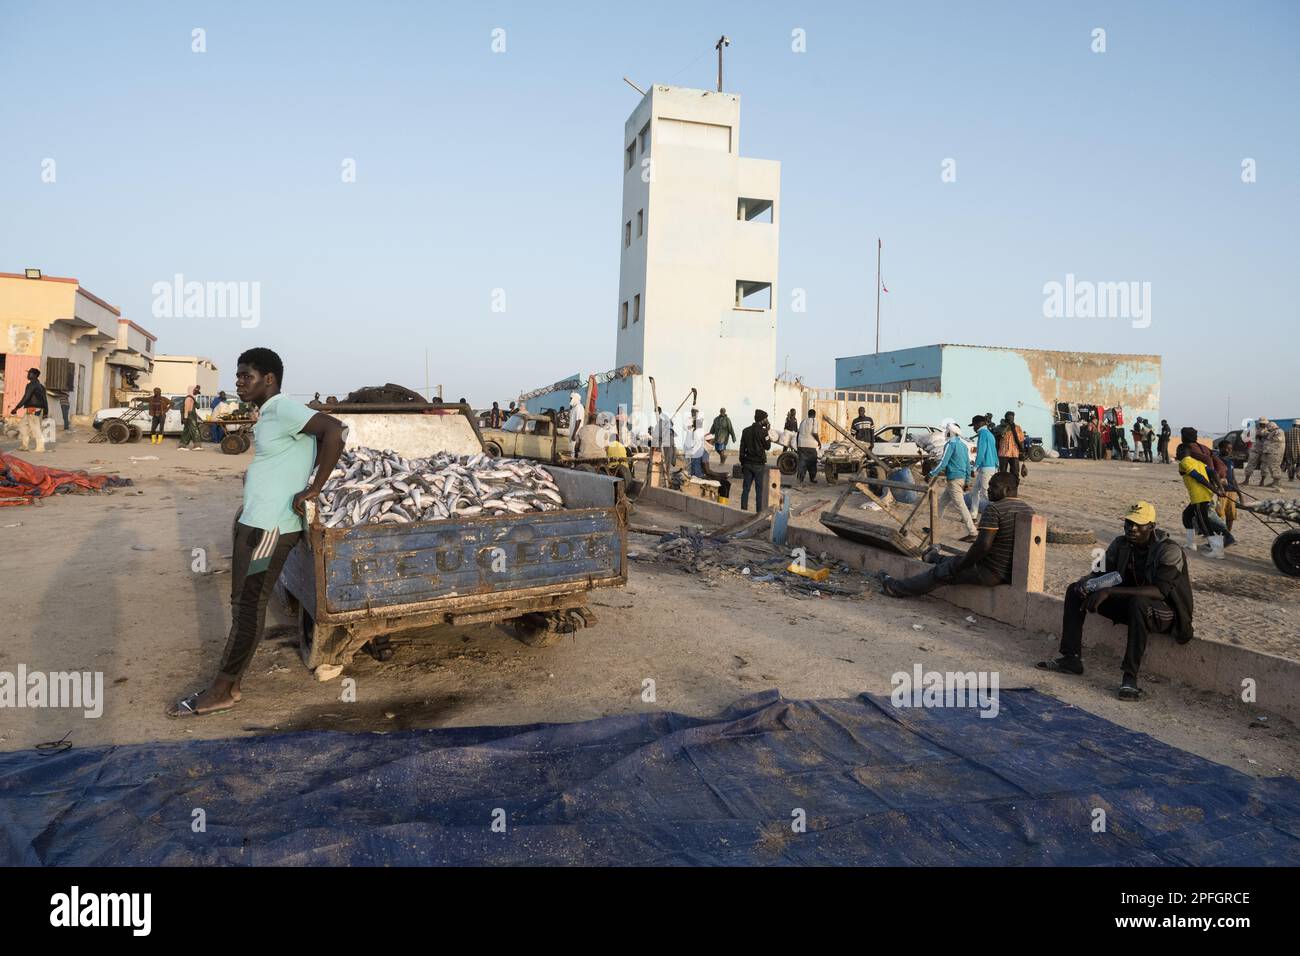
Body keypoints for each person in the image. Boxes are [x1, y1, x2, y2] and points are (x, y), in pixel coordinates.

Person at [168, 348, 345, 717]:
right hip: (257, 521)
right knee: (244, 603)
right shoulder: (268, 416)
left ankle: (224, 688)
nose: (238, 382)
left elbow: (334, 431)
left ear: (269, 378)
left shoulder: (282, 408)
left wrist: (313, 487)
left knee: (248, 605)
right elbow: (305, 448)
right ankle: (226, 685)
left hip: (270, 526)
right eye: (237, 376)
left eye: (245, 375)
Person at [1037, 501, 1193, 701]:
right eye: (1128, 523)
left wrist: (1110, 591)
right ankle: (1071, 658)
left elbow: (1160, 591)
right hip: (1129, 603)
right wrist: (1087, 585)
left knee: (1140, 604)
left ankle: (1130, 678)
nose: (1132, 528)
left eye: (1138, 524)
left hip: (1166, 612)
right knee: (1074, 590)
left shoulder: (1169, 550)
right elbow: (1098, 571)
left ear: (1152, 526)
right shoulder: (1120, 543)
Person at [882, 473, 1032, 597]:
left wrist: (960, 566)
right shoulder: (1028, 510)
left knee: (941, 572)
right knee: (954, 560)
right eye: (989, 485)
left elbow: (982, 546)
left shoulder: (995, 509)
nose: (988, 490)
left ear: (1007, 489)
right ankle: (932, 557)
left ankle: (895, 588)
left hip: (990, 572)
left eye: (994, 486)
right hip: (1010, 572)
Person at [1177, 442, 1233, 558]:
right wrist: (1220, 488)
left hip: (1200, 496)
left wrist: (1216, 490)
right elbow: (1213, 472)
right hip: (1204, 495)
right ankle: (1191, 544)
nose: (1176, 454)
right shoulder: (1198, 462)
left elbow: (1198, 477)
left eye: (1177, 452)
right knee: (1187, 515)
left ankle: (1217, 550)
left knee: (1204, 523)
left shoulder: (1184, 462)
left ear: (1182, 452)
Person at [932, 422, 978, 540]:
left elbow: (943, 462)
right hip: (960, 479)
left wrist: (931, 474)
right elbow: (968, 465)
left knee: (961, 506)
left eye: (947, 431)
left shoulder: (950, 444)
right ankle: (934, 528)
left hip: (954, 480)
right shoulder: (963, 445)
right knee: (941, 503)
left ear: (951, 432)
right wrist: (967, 481)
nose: (946, 433)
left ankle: (973, 532)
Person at [9, 367, 48, 453]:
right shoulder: (41, 386)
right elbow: (45, 400)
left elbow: (26, 397)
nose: (28, 375)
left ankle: (40, 447)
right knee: (22, 426)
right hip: (32, 409)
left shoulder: (32, 384)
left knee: (35, 428)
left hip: (33, 409)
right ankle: (24, 445)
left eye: (29, 373)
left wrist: (16, 408)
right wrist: (46, 412)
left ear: (34, 375)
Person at [739, 411, 771, 512]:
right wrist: (767, 432)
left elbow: (742, 449)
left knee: (746, 489)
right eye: (766, 418)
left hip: (747, 463)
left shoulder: (745, 431)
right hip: (759, 465)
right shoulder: (763, 432)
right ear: (762, 420)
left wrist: (743, 463)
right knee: (759, 490)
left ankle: (743, 510)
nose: (767, 420)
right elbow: (768, 446)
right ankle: (758, 512)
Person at [969, 415, 999, 520]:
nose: (973, 428)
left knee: (986, 494)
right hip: (991, 466)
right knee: (975, 492)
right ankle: (973, 515)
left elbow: (981, 453)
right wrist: (997, 465)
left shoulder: (982, 434)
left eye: (974, 426)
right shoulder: (990, 434)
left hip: (985, 468)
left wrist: (974, 468)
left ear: (979, 424)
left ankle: (997, 516)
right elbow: (994, 451)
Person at [1244, 416, 1286, 487]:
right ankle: (1246, 480)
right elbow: (1251, 437)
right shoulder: (1255, 429)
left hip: (1266, 451)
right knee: (1250, 464)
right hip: (1256, 449)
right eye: (1261, 423)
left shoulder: (1272, 429)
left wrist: (1263, 434)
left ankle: (1262, 481)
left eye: (1264, 424)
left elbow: (1270, 436)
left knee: (1264, 466)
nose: (1263, 425)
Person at [995, 411, 1024, 493]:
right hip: (1003, 453)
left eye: (1012, 417)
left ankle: (1013, 490)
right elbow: (996, 440)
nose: (1010, 419)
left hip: (1014, 453)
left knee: (1015, 473)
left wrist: (1022, 451)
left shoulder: (1017, 428)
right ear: (1005, 418)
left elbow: (1021, 440)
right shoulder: (1000, 427)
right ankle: (1002, 491)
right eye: (1009, 417)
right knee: (1002, 473)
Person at [1216, 439, 1240, 534]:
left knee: (1231, 515)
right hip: (1221, 491)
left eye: (1231, 448)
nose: (1229, 450)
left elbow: (1233, 478)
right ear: (1221, 448)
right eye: (1227, 448)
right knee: (1219, 514)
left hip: (1232, 491)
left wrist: (1239, 493)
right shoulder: (1216, 460)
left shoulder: (1230, 462)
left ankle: (1228, 534)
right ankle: (1219, 535)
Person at [795, 408, 821, 485]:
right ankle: (812, 478)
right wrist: (819, 442)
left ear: (808, 414)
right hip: (811, 446)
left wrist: (797, 445)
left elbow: (798, 434)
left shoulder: (802, 421)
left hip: (801, 445)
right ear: (814, 415)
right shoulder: (814, 421)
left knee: (802, 463)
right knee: (812, 462)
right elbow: (814, 433)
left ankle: (800, 480)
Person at [178, 386, 204, 450]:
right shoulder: (189, 398)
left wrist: (198, 417)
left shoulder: (192, 398)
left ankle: (182, 446)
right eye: (195, 391)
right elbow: (186, 409)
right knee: (195, 430)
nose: (196, 392)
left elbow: (192, 409)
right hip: (190, 416)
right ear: (192, 390)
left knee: (187, 431)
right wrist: (186, 418)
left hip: (191, 415)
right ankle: (197, 446)